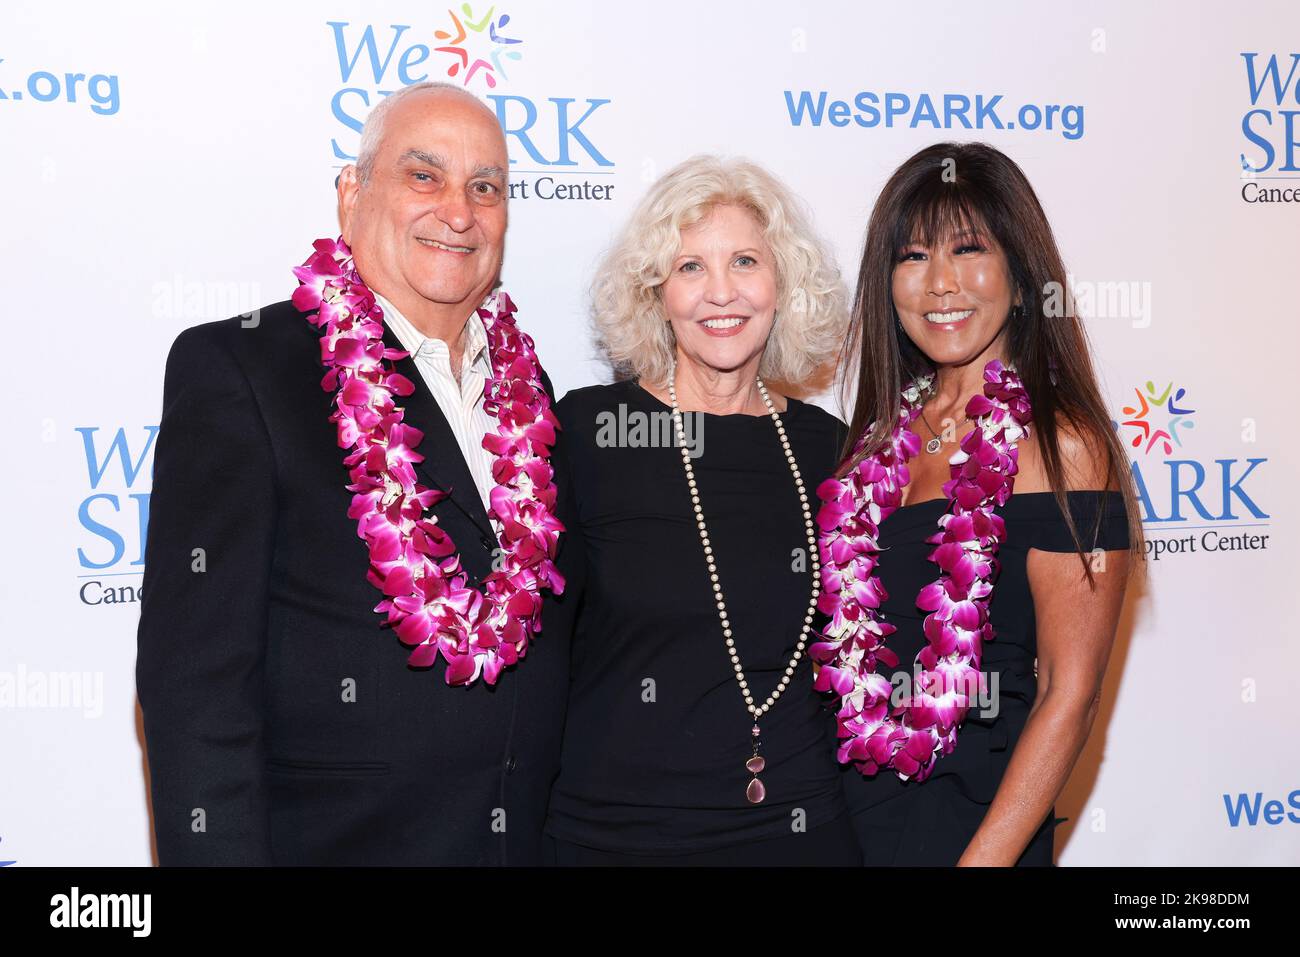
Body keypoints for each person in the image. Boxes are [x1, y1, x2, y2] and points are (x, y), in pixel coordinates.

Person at [136, 81, 571, 865]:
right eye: (423, 175)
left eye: (486, 187)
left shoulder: (532, 397)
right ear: (351, 193)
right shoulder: (243, 368)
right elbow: (195, 690)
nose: (459, 211)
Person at [818, 141, 1146, 866]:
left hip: (976, 834)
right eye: (912, 256)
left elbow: (1071, 690)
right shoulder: (872, 446)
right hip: (846, 822)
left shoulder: (1062, 444)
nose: (941, 283)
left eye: (968, 250)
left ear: (1021, 277)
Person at [542, 155, 859, 865]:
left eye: (745, 260)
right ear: (656, 292)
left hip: (796, 831)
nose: (721, 293)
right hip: (617, 834)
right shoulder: (591, 432)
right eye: (689, 267)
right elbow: (537, 652)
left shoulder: (828, 447)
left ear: (784, 282)